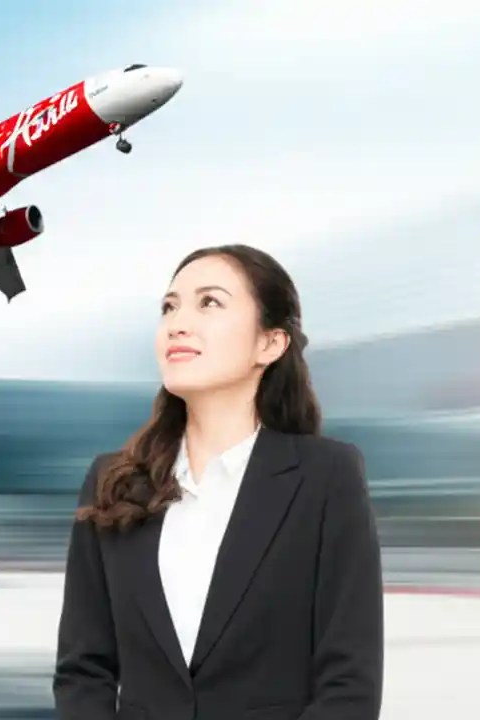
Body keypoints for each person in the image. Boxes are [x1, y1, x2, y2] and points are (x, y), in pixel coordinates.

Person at [53, 244, 384, 719]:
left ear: (270, 343)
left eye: (209, 302)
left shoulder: (325, 477)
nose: (177, 323)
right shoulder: (113, 483)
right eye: (169, 307)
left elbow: (349, 684)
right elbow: (84, 671)